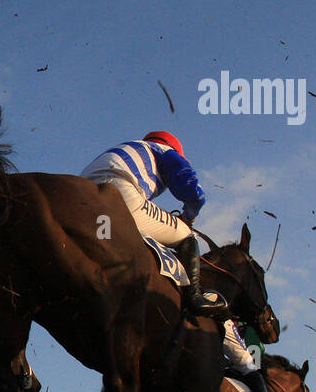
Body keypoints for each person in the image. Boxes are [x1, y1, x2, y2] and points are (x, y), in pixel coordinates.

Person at [80, 131, 227, 316]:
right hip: (119, 191)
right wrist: (188, 218)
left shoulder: (128, 146)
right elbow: (195, 195)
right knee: (187, 235)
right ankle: (195, 297)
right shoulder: (166, 151)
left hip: (83, 197)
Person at [222, 318, 283, 392]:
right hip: (222, 322)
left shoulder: (249, 328)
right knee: (250, 367)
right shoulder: (249, 329)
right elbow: (257, 353)